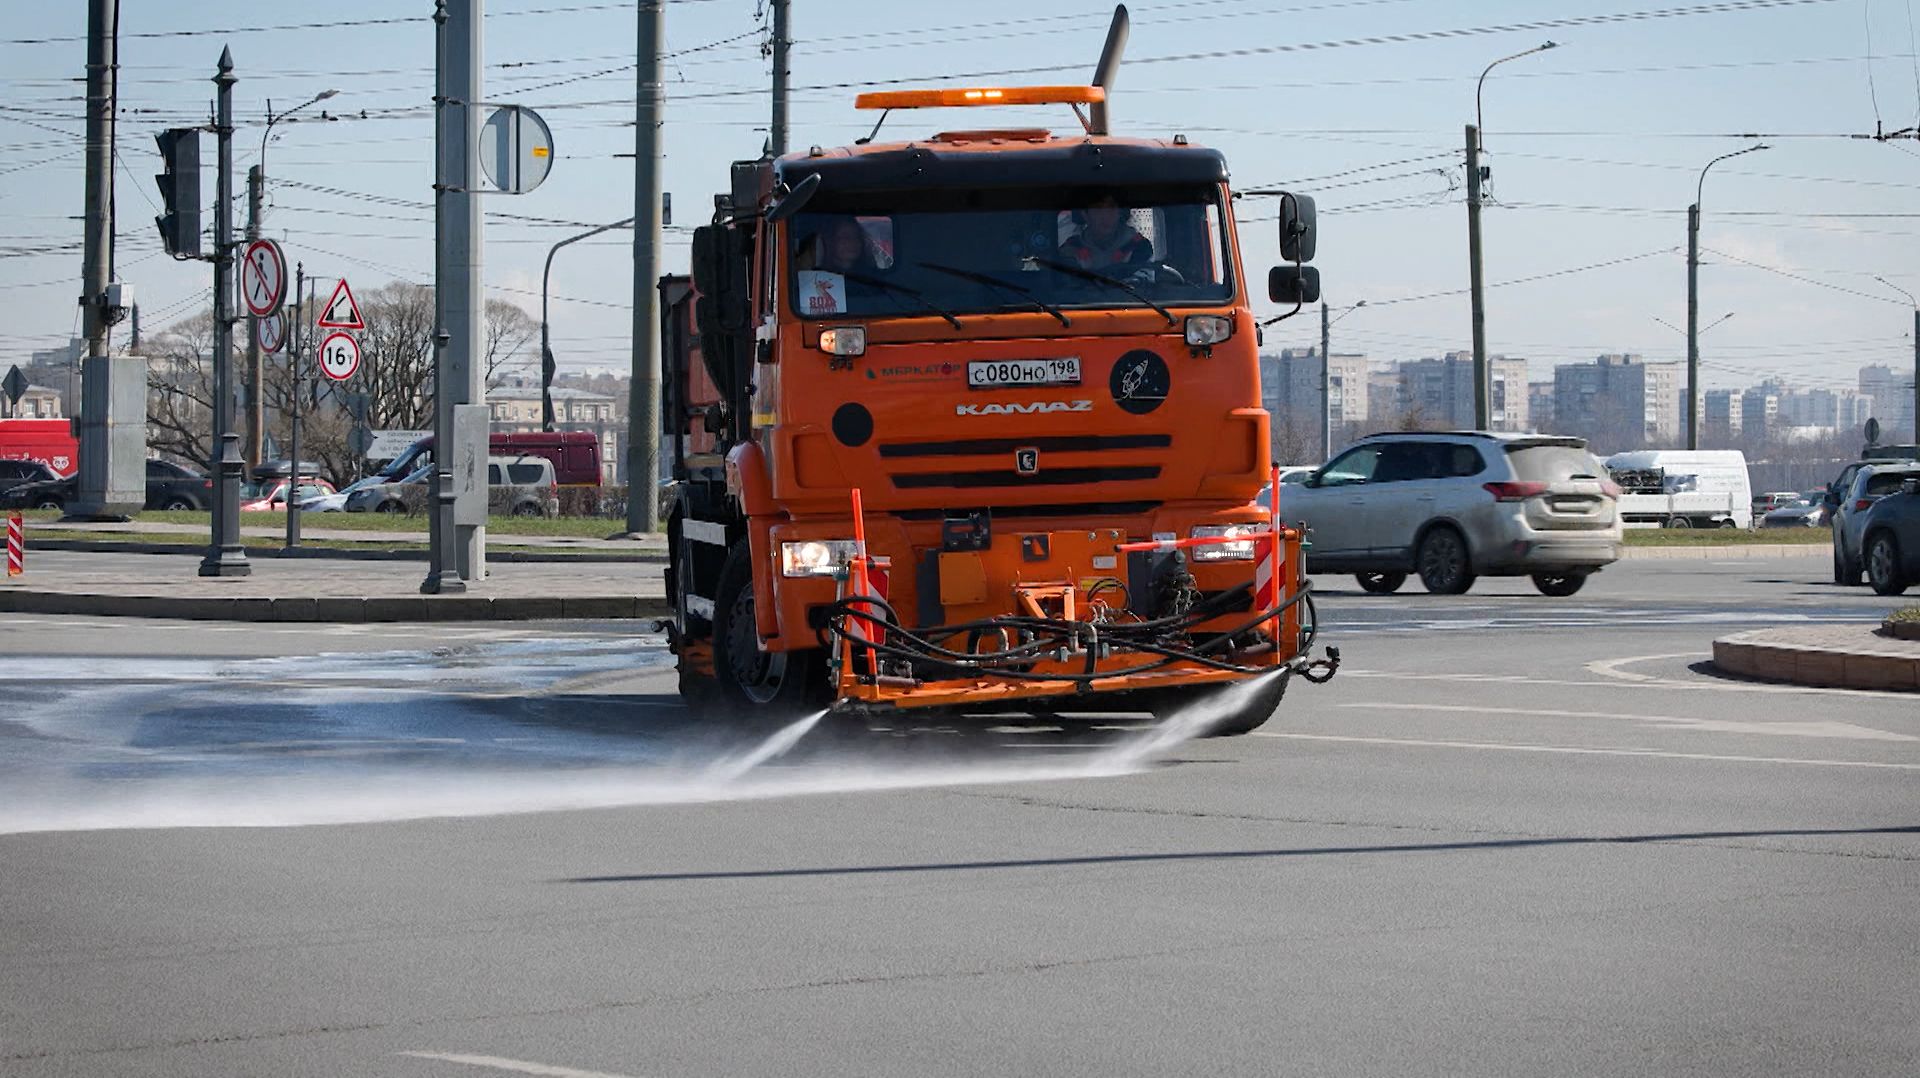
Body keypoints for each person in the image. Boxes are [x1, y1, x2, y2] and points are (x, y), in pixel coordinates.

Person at [1059, 192, 1153, 271]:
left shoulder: (1139, 247)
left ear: (1120, 212)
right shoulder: (1071, 249)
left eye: (1111, 208)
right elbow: (1063, 287)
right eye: (1098, 209)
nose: (1106, 216)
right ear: (1085, 215)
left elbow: (1145, 286)